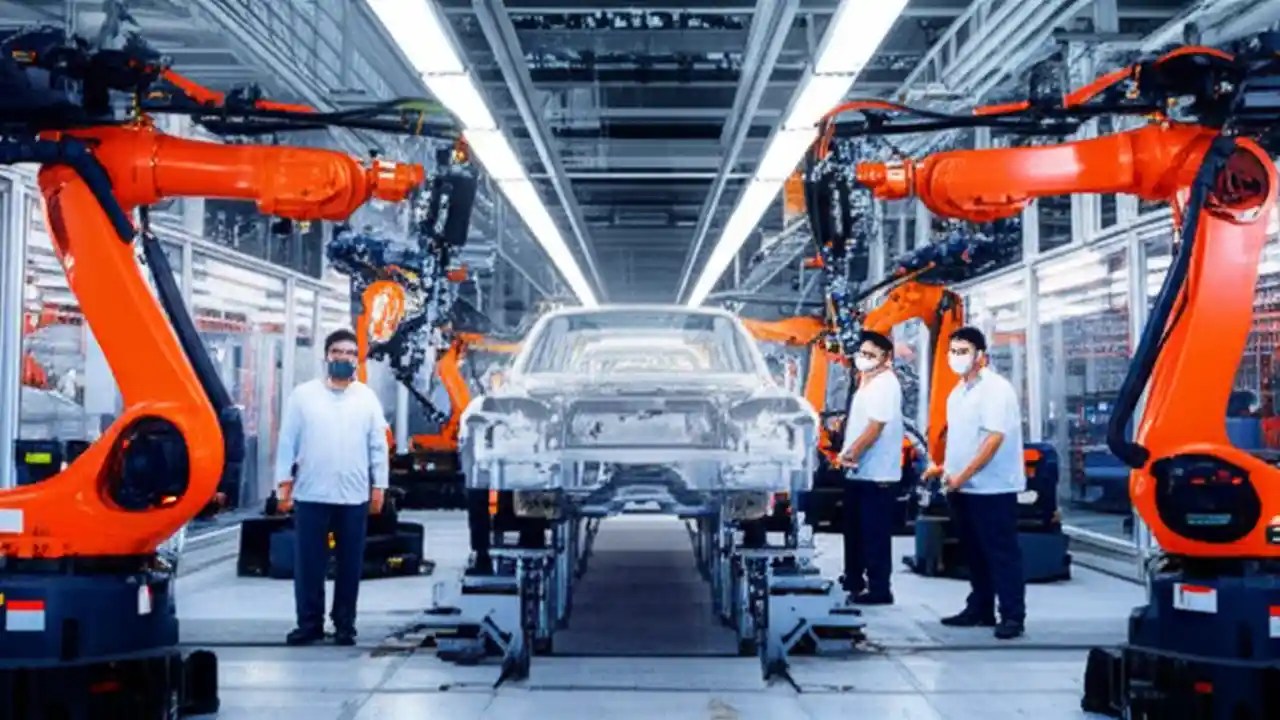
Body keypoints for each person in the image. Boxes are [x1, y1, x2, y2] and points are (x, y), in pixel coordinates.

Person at [275, 328, 390, 646]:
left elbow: (377, 445)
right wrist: (283, 485)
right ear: (326, 356)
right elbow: (287, 442)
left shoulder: (366, 398)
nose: (344, 357)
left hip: (353, 495)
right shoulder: (303, 396)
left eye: (351, 353)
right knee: (309, 563)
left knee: (349, 565)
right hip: (312, 493)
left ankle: (344, 625)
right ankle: (309, 624)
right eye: (338, 351)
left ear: (357, 360)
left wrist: (379, 486)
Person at [923, 326, 1026, 639]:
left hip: (993, 489)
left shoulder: (996, 389)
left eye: (963, 351)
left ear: (982, 355)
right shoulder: (957, 393)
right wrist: (944, 470)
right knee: (974, 552)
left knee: (1000, 553)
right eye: (952, 351)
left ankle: (1012, 616)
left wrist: (962, 476)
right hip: (962, 487)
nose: (956, 357)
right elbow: (965, 441)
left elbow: (993, 439)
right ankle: (980, 608)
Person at [837, 330, 904, 605]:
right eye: (861, 353)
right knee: (855, 530)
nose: (863, 358)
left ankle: (879, 588)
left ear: (886, 358)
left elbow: (876, 426)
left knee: (874, 533)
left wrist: (852, 453)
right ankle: (854, 578)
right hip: (860, 472)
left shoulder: (885, 384)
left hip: (877, 474)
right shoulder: (867, 381)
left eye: (870, 355)